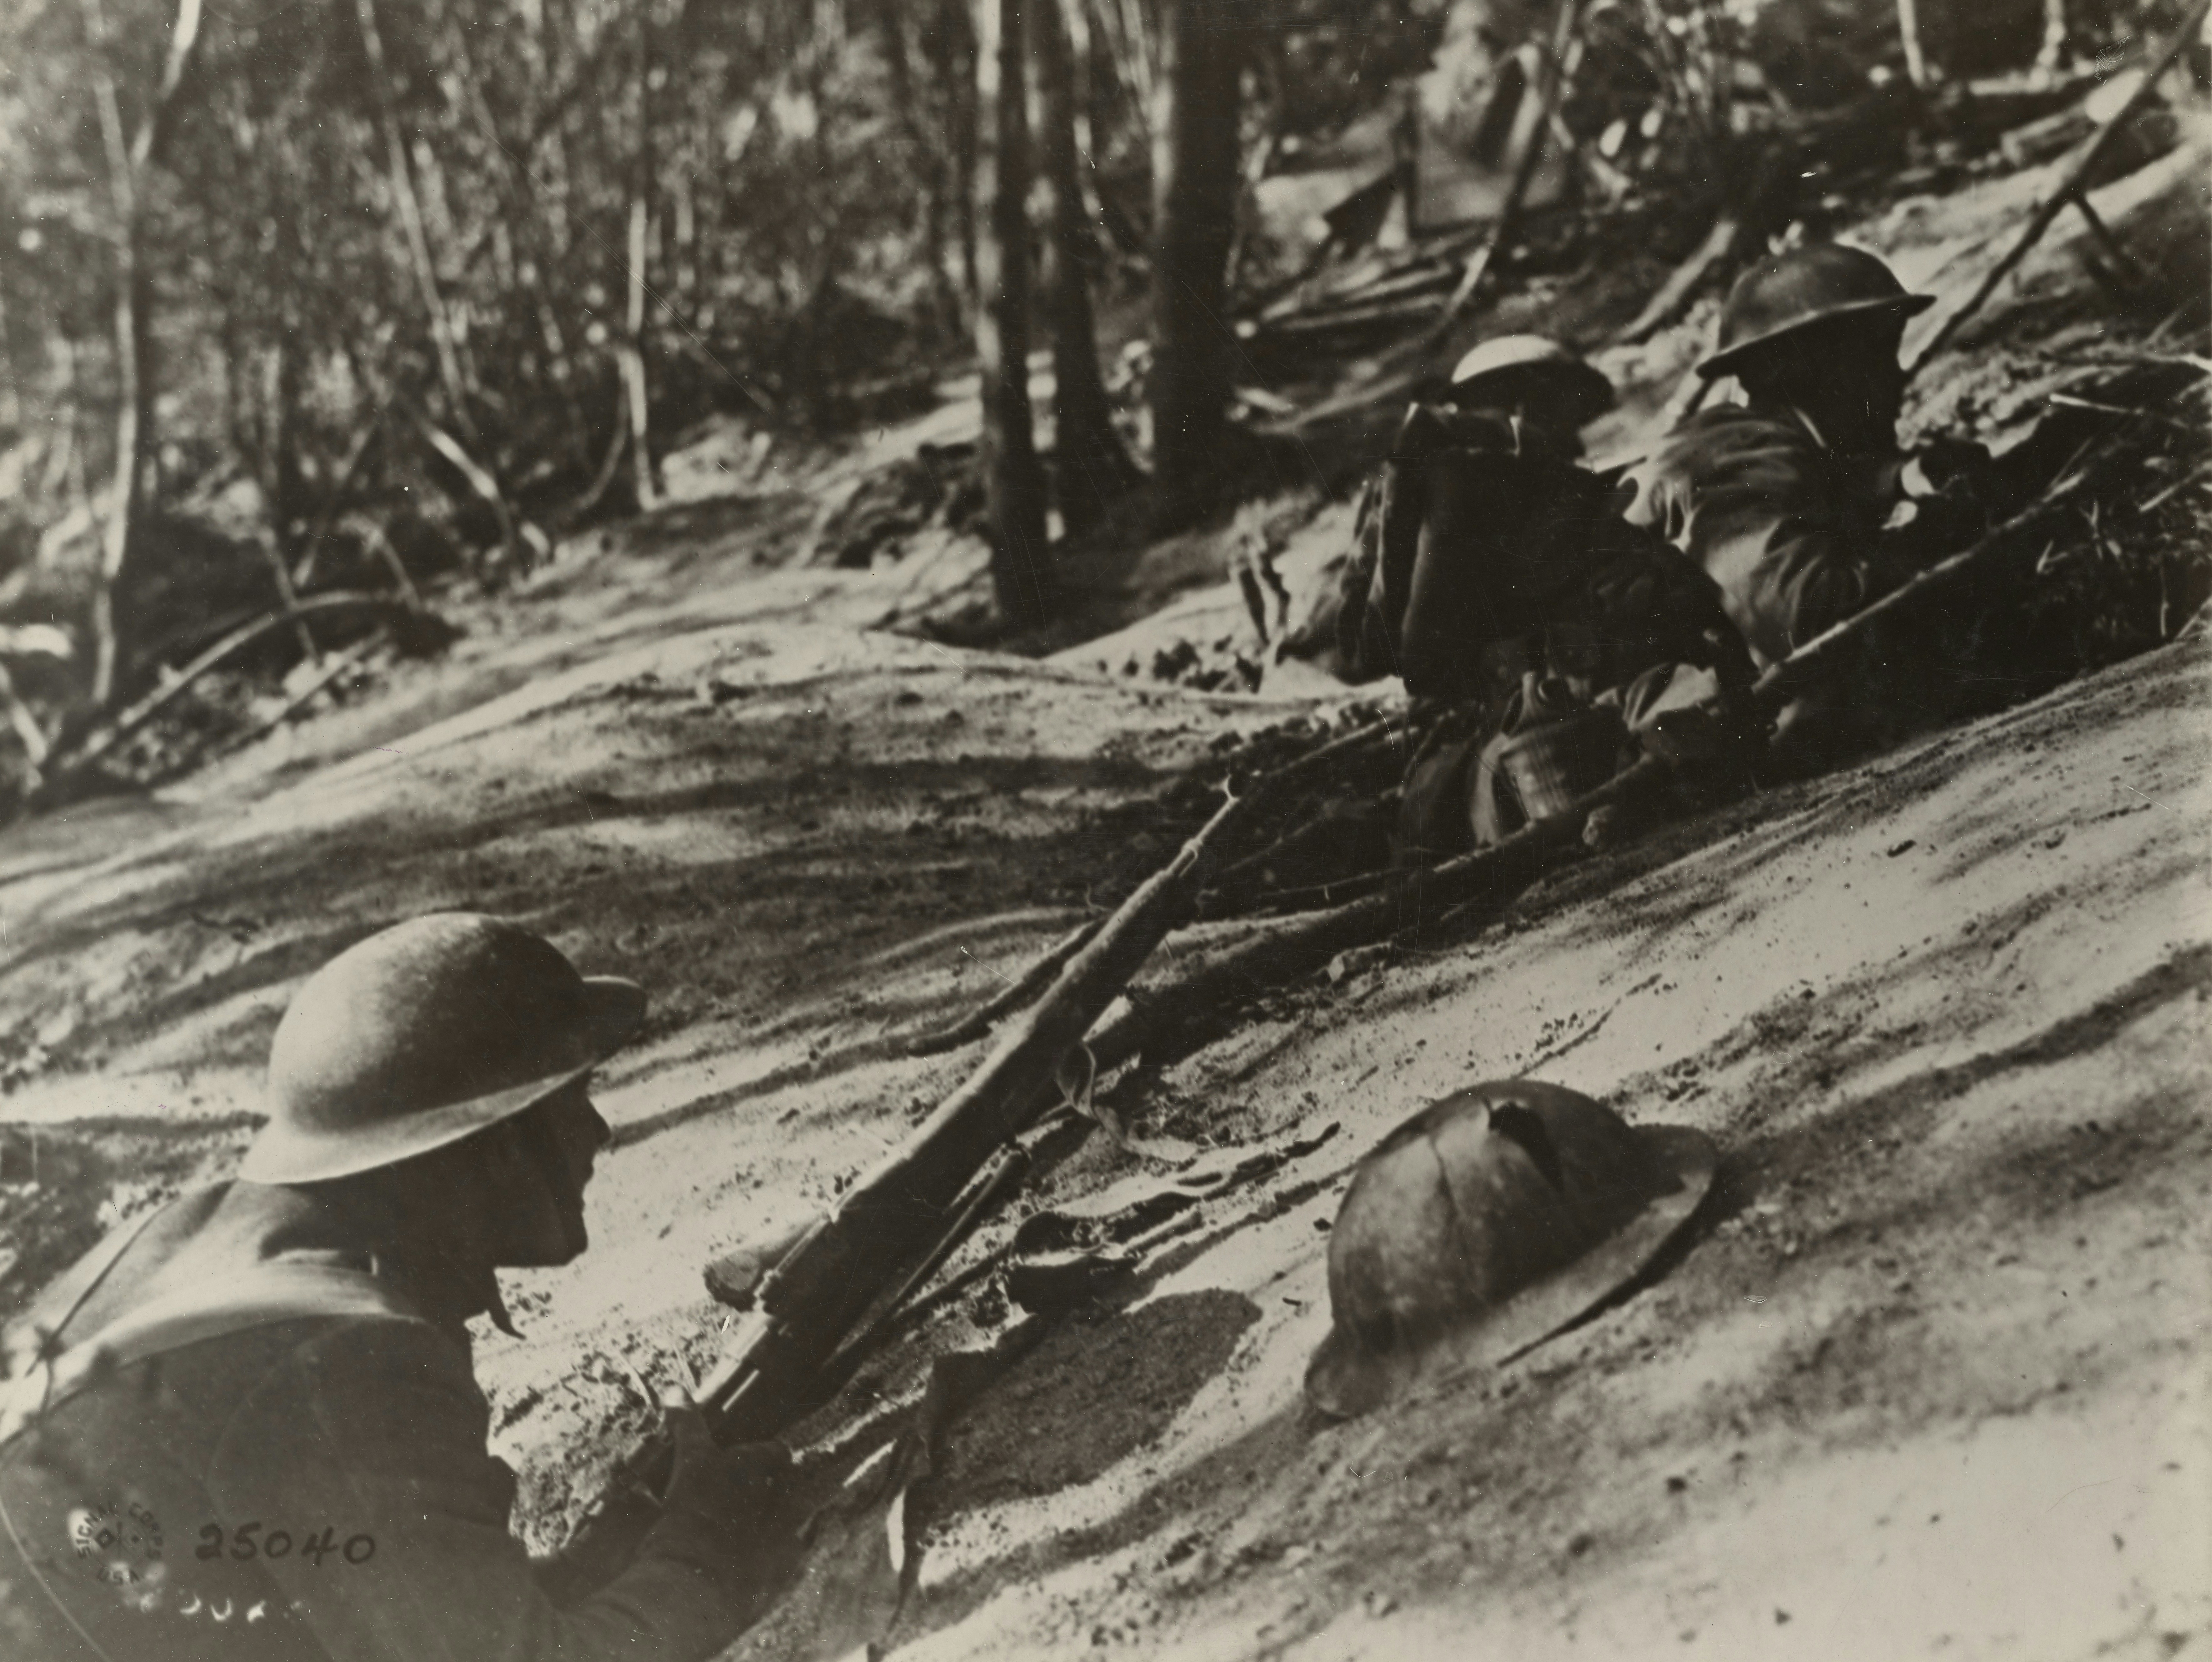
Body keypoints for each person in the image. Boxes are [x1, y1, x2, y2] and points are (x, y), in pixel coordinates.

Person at [0, 913, 791, 1662]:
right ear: (481, 1148)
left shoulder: (198, 1242)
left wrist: (612, 1555)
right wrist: (707, 1541)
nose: (598, 1132)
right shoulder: (343, 1354)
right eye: (565, 1101)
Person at [1307, 335, 1755, 857]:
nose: (1577, 432)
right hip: (1559, 731)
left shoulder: (1445, 488)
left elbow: (1380, 648)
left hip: (1521, 736)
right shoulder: (1502, 490)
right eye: (1566, 409)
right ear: (1527, 400)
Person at [1623, 242, 1993, 761]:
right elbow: (1812, 619)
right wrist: (1938, 530)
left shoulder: (1763, 445)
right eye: (1875, 356)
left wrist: (1901, 477)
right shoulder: (1736, 456)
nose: (1895, 377)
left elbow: (1826, 481)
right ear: (1795, 369)